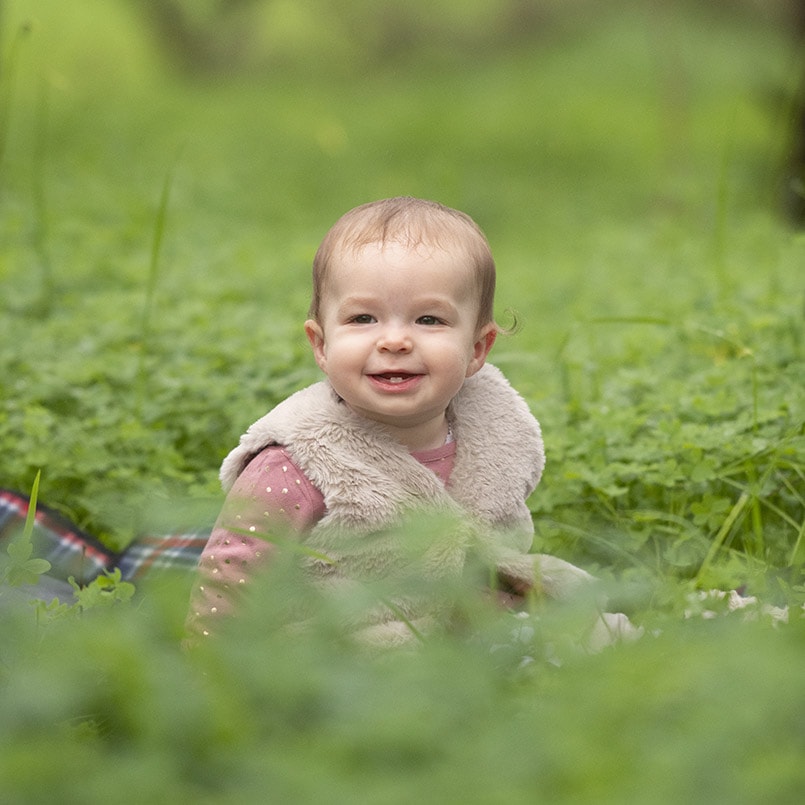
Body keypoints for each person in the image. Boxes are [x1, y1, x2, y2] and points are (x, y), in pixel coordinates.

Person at [187, 197, 601, 645]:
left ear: (478, 349)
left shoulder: (491, 436)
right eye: (363, 318)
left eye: (429, 319)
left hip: (466, 627)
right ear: (321, 344)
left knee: (590, 631)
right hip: (343, 648)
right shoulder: (299, 460)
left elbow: (490, 549)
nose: (395, 340)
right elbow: (232, 572)